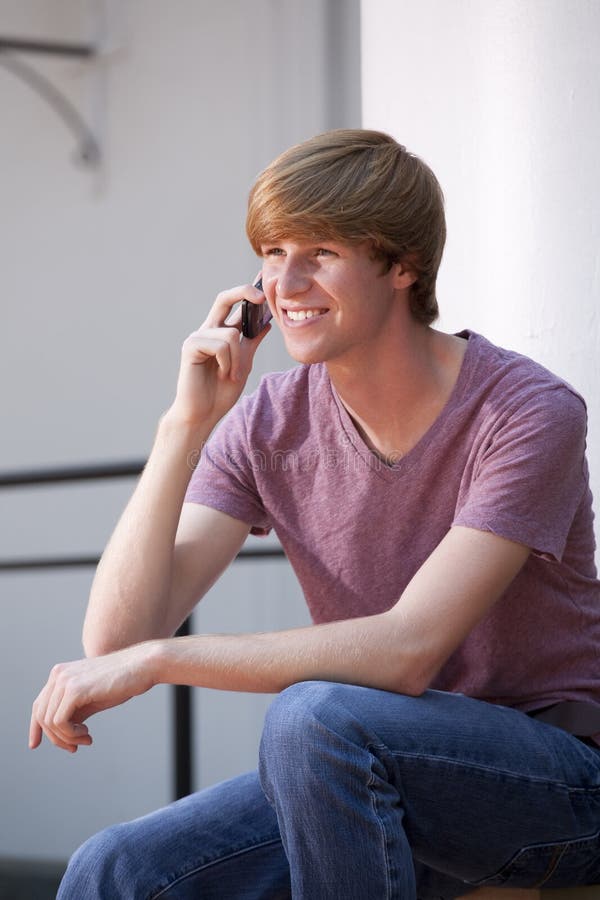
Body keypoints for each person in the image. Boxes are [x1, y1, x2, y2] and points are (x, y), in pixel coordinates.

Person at [30, 129, 600, 899]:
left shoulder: (527, 412)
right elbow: (116, 639)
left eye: (321, 253)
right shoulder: (269, 420)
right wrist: (184, 426)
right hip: (365, 761)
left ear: (404, 265)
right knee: (117, 869)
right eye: (271, 252)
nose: (284, 283)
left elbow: (408, 651)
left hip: (554, 780)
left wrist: (163, 661)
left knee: (317, 716)